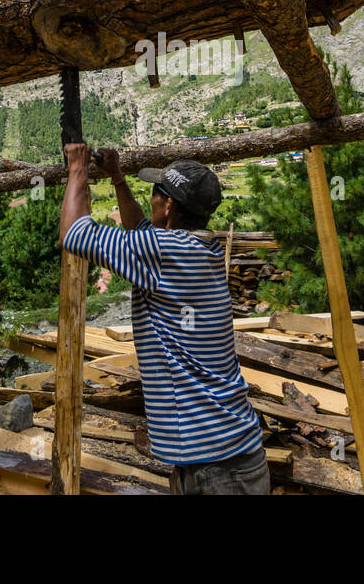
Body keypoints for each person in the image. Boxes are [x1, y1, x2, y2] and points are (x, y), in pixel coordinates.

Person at [58, 143, 270, 495]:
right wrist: (117, 179)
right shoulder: (201, 247)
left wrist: (78, 168)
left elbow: (74, 234)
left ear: (168, 205)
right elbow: (141, 229)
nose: (152, 199)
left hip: (219, 472)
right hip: (223, 461)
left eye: (156, 193)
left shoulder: (165, 251)